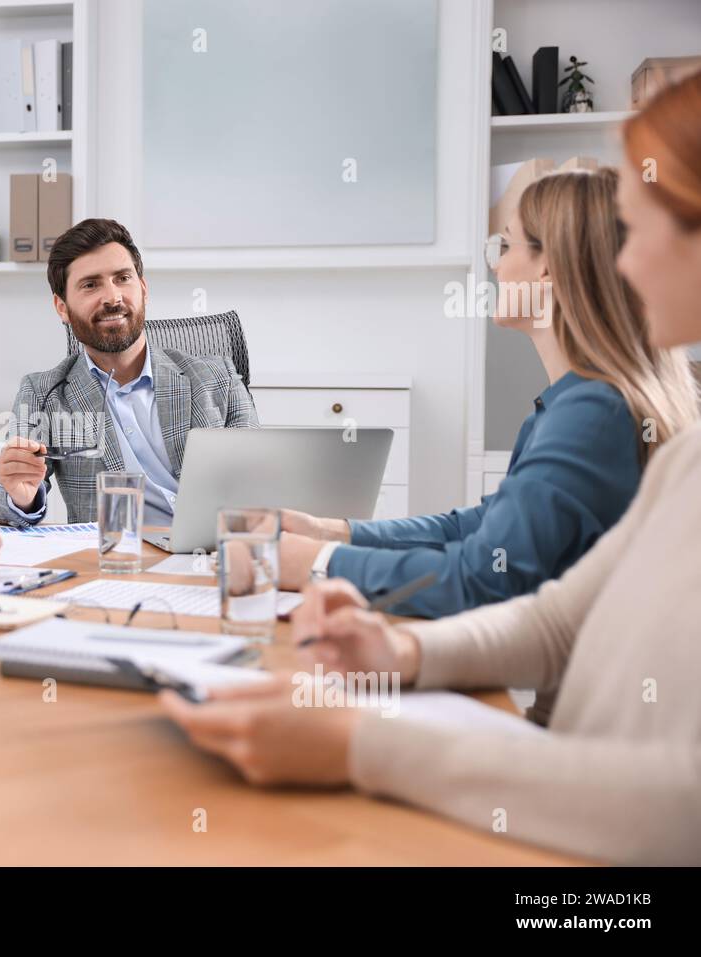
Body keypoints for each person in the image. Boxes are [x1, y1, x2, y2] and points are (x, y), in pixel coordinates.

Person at [162, 71, 701, 866]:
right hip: (553, 774)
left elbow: (677, 808)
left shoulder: (595, 408)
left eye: (641, 227)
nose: (624, 259)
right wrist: (395, 642)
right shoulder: (677, 450)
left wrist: (357, 729)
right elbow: (544, 606)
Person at [274, 168, 697, 617]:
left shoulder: (594, 412)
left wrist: (315, 563)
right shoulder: (574, 405)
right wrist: (329, 532)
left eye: (506, 245)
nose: (495, 264)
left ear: (549, 268)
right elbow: (484, 527)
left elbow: (484, 576)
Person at [0, 218, 259, 527]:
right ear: (62, 307)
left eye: (122, 278)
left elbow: (260, 482)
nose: (113, 298)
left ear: (142, 289)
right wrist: (21, 495)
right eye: (90, 285)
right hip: (114, 559)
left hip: (208, 557)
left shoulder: (218, 377)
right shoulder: (44, 392)